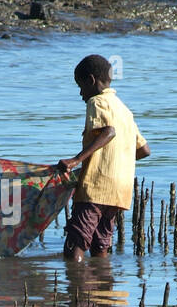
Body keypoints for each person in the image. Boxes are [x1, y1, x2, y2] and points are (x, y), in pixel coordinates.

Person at [55, 54, 150, 261]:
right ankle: (103, 291)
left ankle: (77, 291)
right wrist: (112, 159)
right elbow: (144, 151)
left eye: (80, 87)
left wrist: (75, 160)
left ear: (90, 80)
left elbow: (108, 132)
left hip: (96, 188)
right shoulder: (124, 110)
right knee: (100, 248)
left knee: (75, 247)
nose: (80, 94)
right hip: (119, 192)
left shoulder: (96, 102)